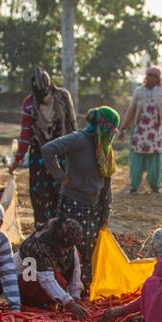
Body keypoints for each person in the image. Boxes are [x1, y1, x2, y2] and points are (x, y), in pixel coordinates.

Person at [42, 106, 120, 285]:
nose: (113, 134)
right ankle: (65, 288)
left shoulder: (104, 147)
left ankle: (82, 289)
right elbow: (48, 149)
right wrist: (60, 176)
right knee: (70, 247)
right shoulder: (78, 139)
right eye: (111, 130)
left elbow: (107, 182)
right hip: (73, 203)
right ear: (102, 127)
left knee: (88, 250)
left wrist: (105, 211)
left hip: (95, 207)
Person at [12, 66, 77, 228]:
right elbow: (25, 134)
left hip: (54, 154)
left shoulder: (59, 97)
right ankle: (48, 230)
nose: (44, 97)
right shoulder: (33, 103)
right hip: (48, 155)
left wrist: (75, 150)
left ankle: (54, 229)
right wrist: (17, 160)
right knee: (47, 193)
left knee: (55, 192)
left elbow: (71, 124)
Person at [120, 65, 162, 194]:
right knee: (137, 157)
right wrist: (123, 127)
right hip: (139, 130)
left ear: (158, 78)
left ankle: (155, 186)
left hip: (156, 131)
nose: (151, 78)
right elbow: (131, 109)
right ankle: (134, 186)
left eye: (154, 76)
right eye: (149, 75)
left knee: (155, 158)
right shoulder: (139, 91)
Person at [15, 217, 90, 319]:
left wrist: (75, 297)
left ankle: (46, 302)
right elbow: (46, 279)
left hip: (39, 280)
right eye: (66, 247)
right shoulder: (39, 244)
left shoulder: (67, 243)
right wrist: (70, 303)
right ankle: (33, 304)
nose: (67, 250)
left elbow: (75, 271)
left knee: (61, 278)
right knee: (58, 280)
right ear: (59, 240)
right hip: (22, 282)